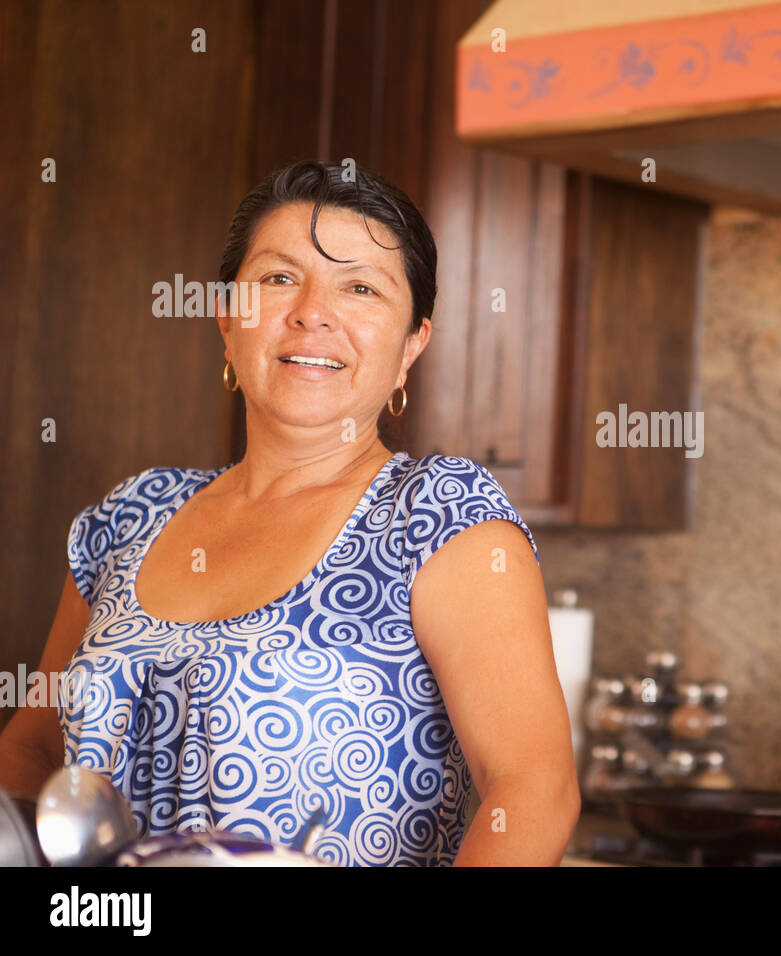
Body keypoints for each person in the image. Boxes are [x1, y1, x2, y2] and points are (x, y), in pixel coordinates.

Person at [0, 161, 580, 866]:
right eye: (279, 279)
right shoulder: (131, 515)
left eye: (361, 288)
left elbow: (531, 787)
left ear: (411, 347)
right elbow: (31, 750)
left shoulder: (437, 514)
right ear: (225, 317)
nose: (313, 313)